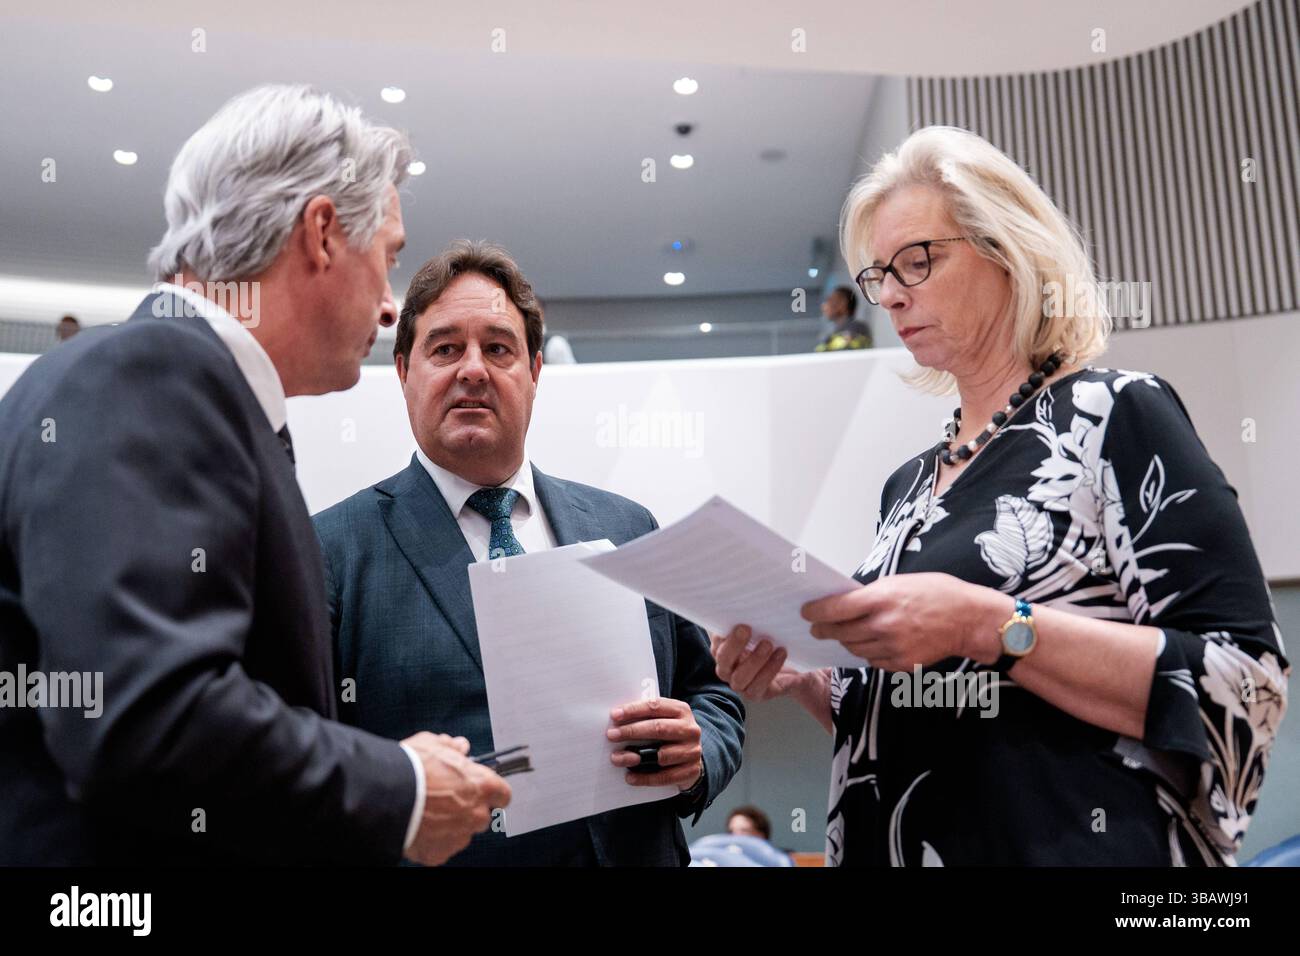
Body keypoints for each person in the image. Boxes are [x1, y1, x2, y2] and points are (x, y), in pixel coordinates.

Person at [711, 126, 1288, 866]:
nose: (889, 294)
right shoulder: (908, 486)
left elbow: (1244, 685)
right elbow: (922, 719)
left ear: (1008, 250)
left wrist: (991, 625)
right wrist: (809, 681)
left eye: (916, 260)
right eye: (877, 275)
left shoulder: (1115, 416)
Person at [0, 85, 509, 865]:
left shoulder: (178, 383)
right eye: (389, 256)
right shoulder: (151, 375)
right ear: (322, 233)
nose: (387, 306)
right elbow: (149, 719)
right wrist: (398, 786)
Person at [313, 240, 745, 865]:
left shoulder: (627, 525)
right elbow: (303, 753)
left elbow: (712, 695)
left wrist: (698, 751)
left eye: (498, 348)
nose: (472, 369)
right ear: (403, 372)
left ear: (535, 372)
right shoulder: (333, 550)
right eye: (444, 349)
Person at [814, 285, 871, 351]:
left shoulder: (857, 328)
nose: (823, 306)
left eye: (830, 300)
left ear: (842, 304)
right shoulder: (837, 333)